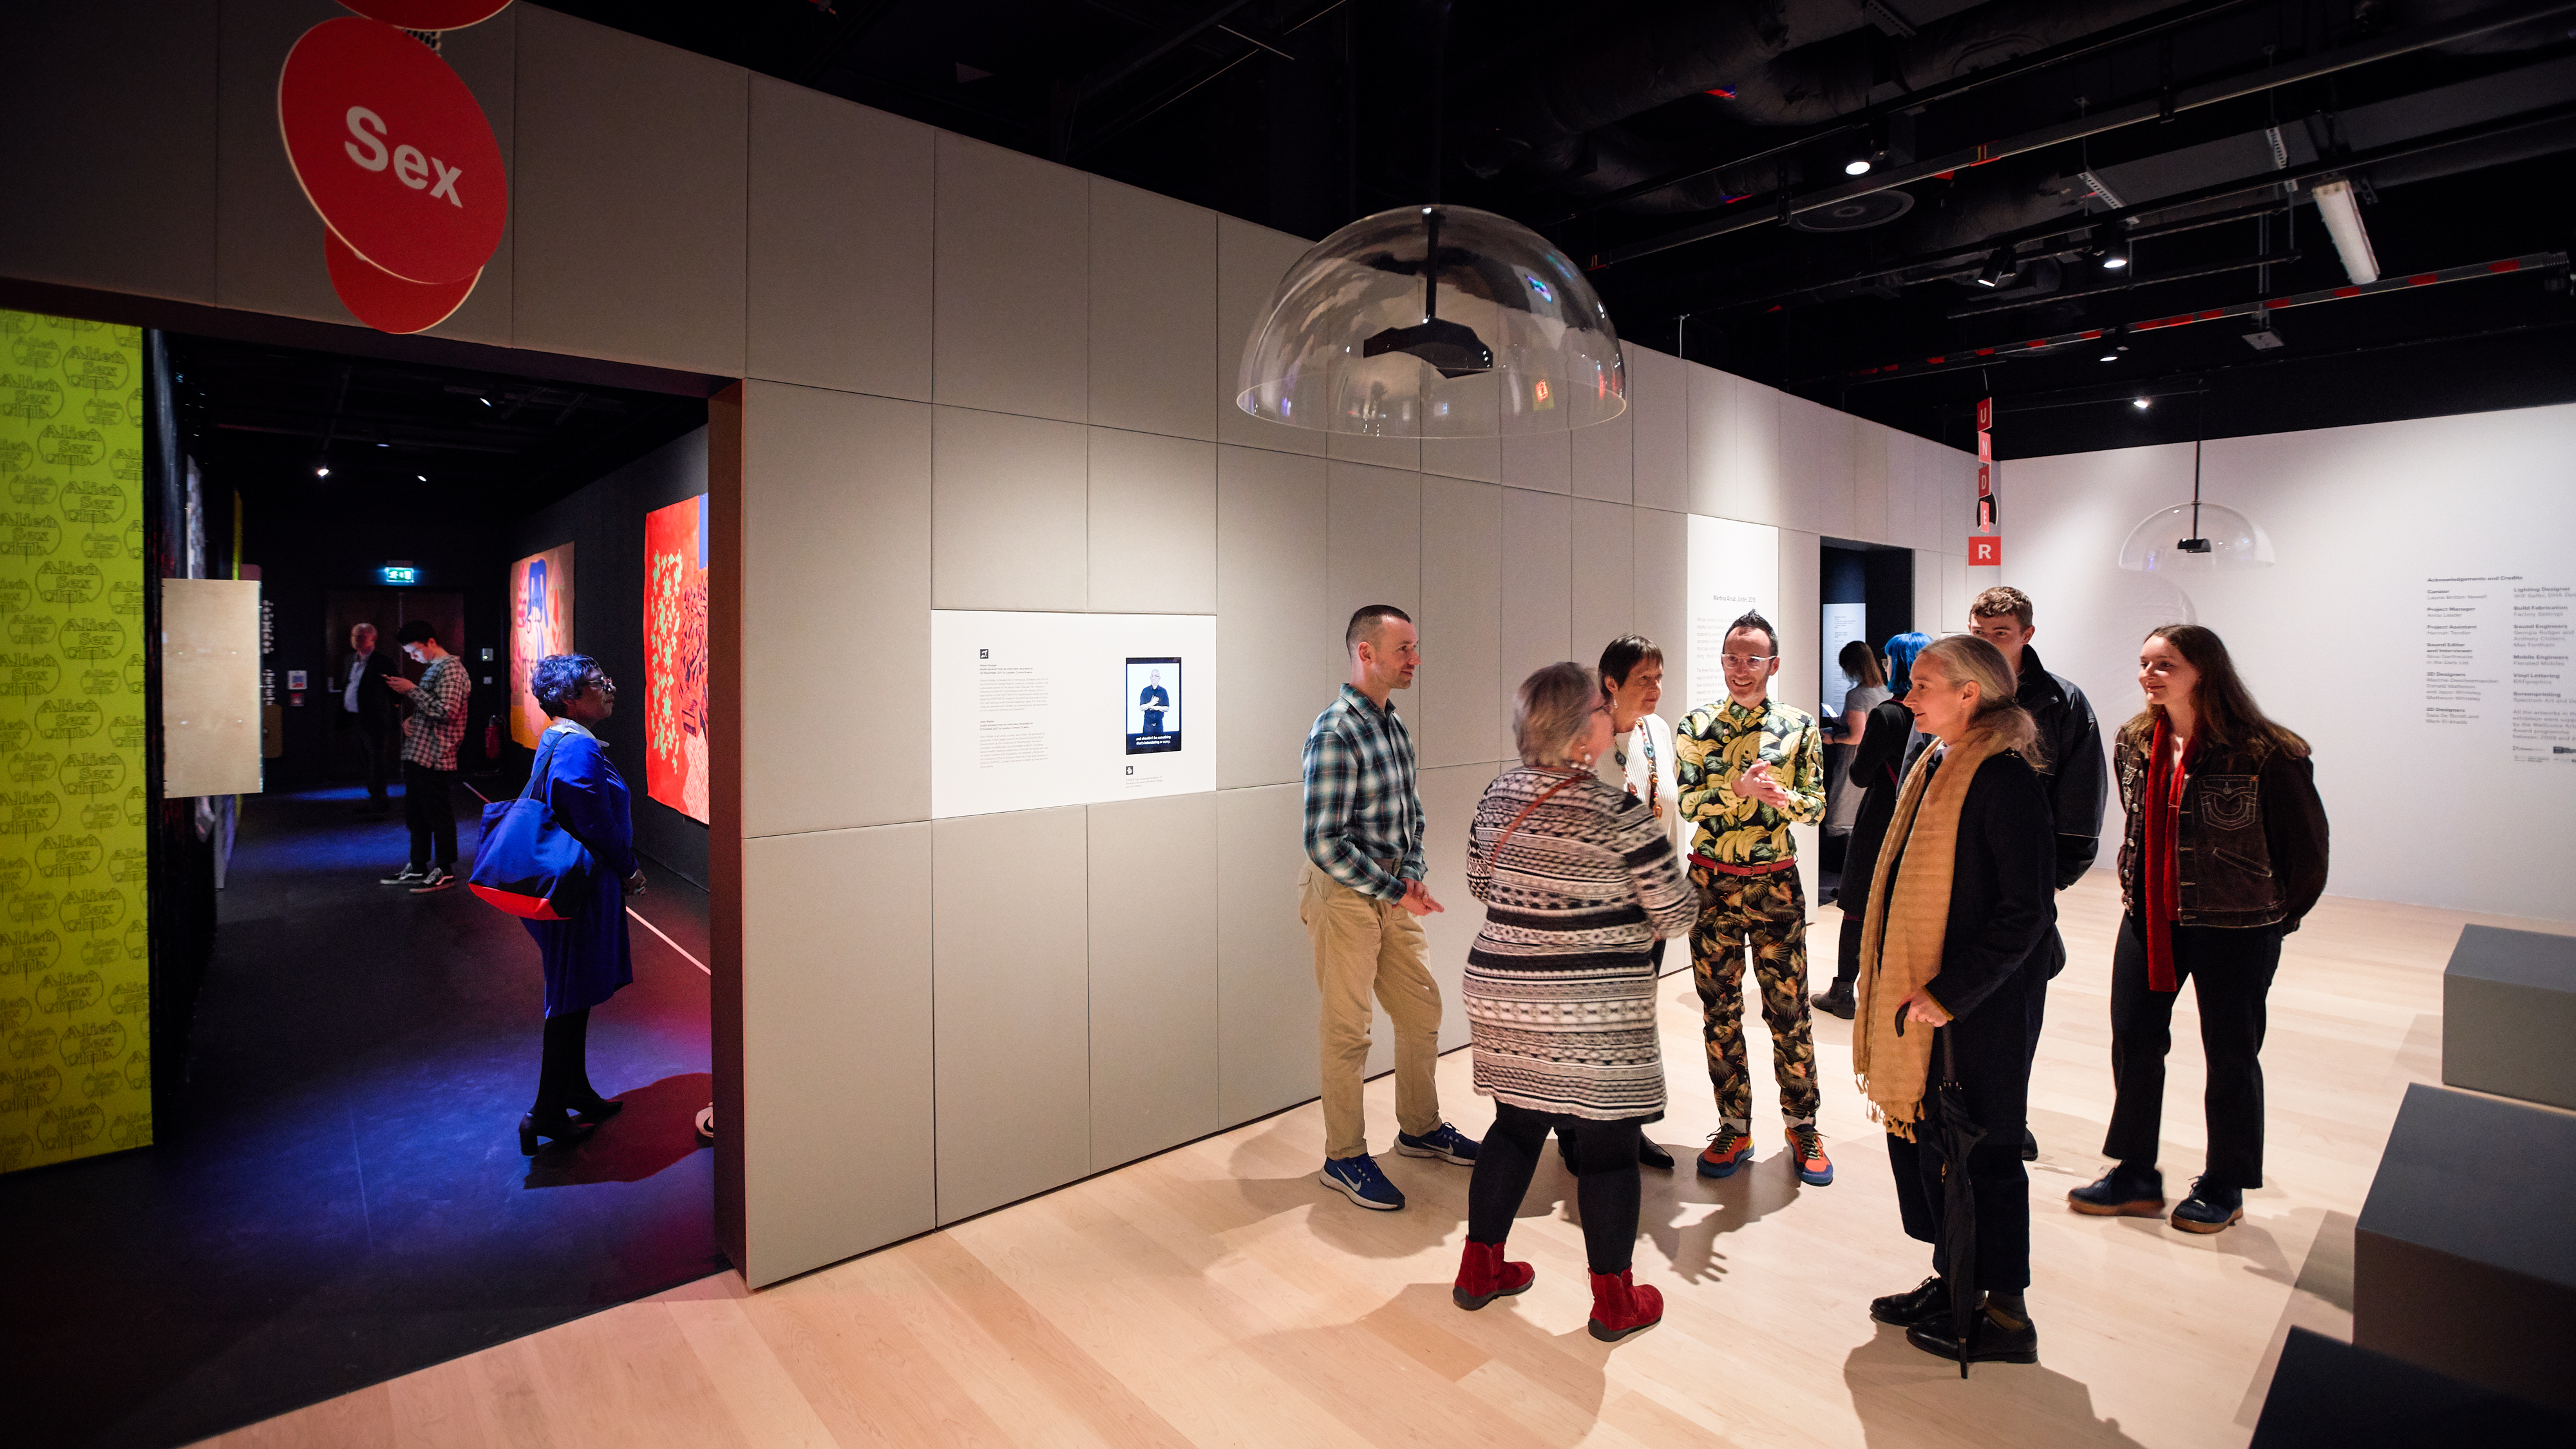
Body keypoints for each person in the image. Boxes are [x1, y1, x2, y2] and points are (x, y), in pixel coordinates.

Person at [1452, 663, 1698, 1342]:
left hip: (1505, 994)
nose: (1608, 708)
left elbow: (1480, 881)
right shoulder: (1618, 814)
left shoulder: (1496, 796)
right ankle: (1615, 1303)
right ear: (1580, 731)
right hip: (1593, 1010)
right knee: (1608, 1150)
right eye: (1600, 703)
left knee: (1515, 1127)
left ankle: (1479, 1270)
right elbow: (1675, 914)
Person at [2070, 625, 2328, 1234]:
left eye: (2166, 664)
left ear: (2204, 670)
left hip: (2235, 925)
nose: (2150, 674)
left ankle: (2225, 1182)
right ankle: (2135, 1173)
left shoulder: (2266, 751)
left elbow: (2306, 850)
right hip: (2150, 916)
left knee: (2231, 1053)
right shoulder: (2135, 739)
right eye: (2144, 663)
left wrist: (2276, 919)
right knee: (2134, 1039)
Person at [1852, 634, 2057, 1366]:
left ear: (1969, 693)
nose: (1908, 696)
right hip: (1929, 999)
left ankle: (2005, 1316)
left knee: (1985, 1147)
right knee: (1936, 1144)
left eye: (1924, 684)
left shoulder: (2002, 779)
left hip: (1981, 1005)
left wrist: (1950, 994)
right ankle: (1954, 1280)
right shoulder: (1937, 763)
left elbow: (2026, 913)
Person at [1300, 603, 1479, 1210]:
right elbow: (1325, 841)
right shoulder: (1335, 731)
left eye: (1415, 647)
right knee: (1349, 1031)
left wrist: (1413, 876)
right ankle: (1343, 1157)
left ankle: (1419, 1128)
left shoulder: (1391, 725)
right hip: (1345, 898)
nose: (1416, 660)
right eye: (1404, 649)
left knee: (1422, 1008)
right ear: (1366, 653)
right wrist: (1394, 887)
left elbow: (1412, 816)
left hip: (1391, 894)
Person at [1674, 610, 1832, 1186]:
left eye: (1753, 659)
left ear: (1774, 664)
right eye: (1732, 658)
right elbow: (1688, 804)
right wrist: (1734, 790)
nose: (1741, 670)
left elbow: (1816, 807)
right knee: (1720, 1013)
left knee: (1788, 1013)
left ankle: (1803, 1124)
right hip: (1710, 885)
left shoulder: (1798, 725)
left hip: (1775, 884)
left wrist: (1780, 796)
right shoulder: (1696, 724)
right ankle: (1733, 1124)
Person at [1966, 586, 2108, 1160]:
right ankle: (1964, 1106)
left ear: (2027, 634)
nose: (1988, 644)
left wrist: (2055, 877)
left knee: (2018, 1000)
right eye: (1979, 633)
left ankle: (2006, 1115)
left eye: (1999, 634)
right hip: (1960, 867)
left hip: (2026, 874)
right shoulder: (1961, 689)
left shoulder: (2062, 701)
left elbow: (2081, 795)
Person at [1563, 634, 1689, 1173]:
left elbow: (1669, 818)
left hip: (1647, 916)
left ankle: (1625, 1132)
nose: (1657, 689)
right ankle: (1575, 1133)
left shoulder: (1658, 730)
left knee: (1634, 1027)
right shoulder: (1580, 739)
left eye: (1660, 677)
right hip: (1598, 918)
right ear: (1610, 684)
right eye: (1645, 680)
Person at [515, 653, 649, 1154]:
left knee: (574, 996)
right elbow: (594, 821)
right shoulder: (578, 750)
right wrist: (629, 868)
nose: (610, 687)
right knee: (568, 1000)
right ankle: (544, 1112)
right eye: (598, 682)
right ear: (570, 698)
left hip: (576, 888)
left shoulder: (562, 738)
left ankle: (573, 1090)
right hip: (582, 890)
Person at [1814, 632, 1931, 1020]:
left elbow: (1862, 775)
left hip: (1881, 819)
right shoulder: (1938, 714)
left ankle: (1845, 990)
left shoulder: (1888, 714)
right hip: (1923, 823)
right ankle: (1893, 990)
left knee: (1857, 906)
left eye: (1889, 659)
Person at [381, 620, 469, 893]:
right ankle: (418, 865)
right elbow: (434, 710)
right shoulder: (436, 668)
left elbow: (447, 712)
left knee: (437, 814)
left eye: (415, 650)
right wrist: (412, 721)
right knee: (416, 814)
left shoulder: (451, 669)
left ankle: (445, 869)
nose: (413, 657)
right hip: (422, 753)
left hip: (436, 755)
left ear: (431, 642)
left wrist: (411, 690)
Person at [1823, 639, 1892, 841]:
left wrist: (1833, 738)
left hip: (1854, 759)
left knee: (1842, 812)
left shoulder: (1857, 695)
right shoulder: (1885, 692)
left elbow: (1856, 736)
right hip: (1875, 760)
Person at [341, 622, 401, 818]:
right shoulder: (350, 659)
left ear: (373, 638)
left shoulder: (383, 661)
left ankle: (379, 802)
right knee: (365, 762)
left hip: (374, 721)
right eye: (354, 636)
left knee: (376, 762)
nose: (356, 640)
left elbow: (397, 689)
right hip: (354, 719)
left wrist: (391, 711)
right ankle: (373, 798)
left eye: (361, 636)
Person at [1139, 668, 1170, 735]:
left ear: (1159, 678)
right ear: (1150, 678)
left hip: (1159, 725)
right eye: (1152, 676)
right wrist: (1151, 703)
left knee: (1160, 744)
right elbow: (1141, 708)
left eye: (1156, 676)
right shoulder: (1145, 691)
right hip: (1148, 726)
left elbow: (1167, 708)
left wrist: (1157, 707)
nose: (1154, 678)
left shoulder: (1163, 691)